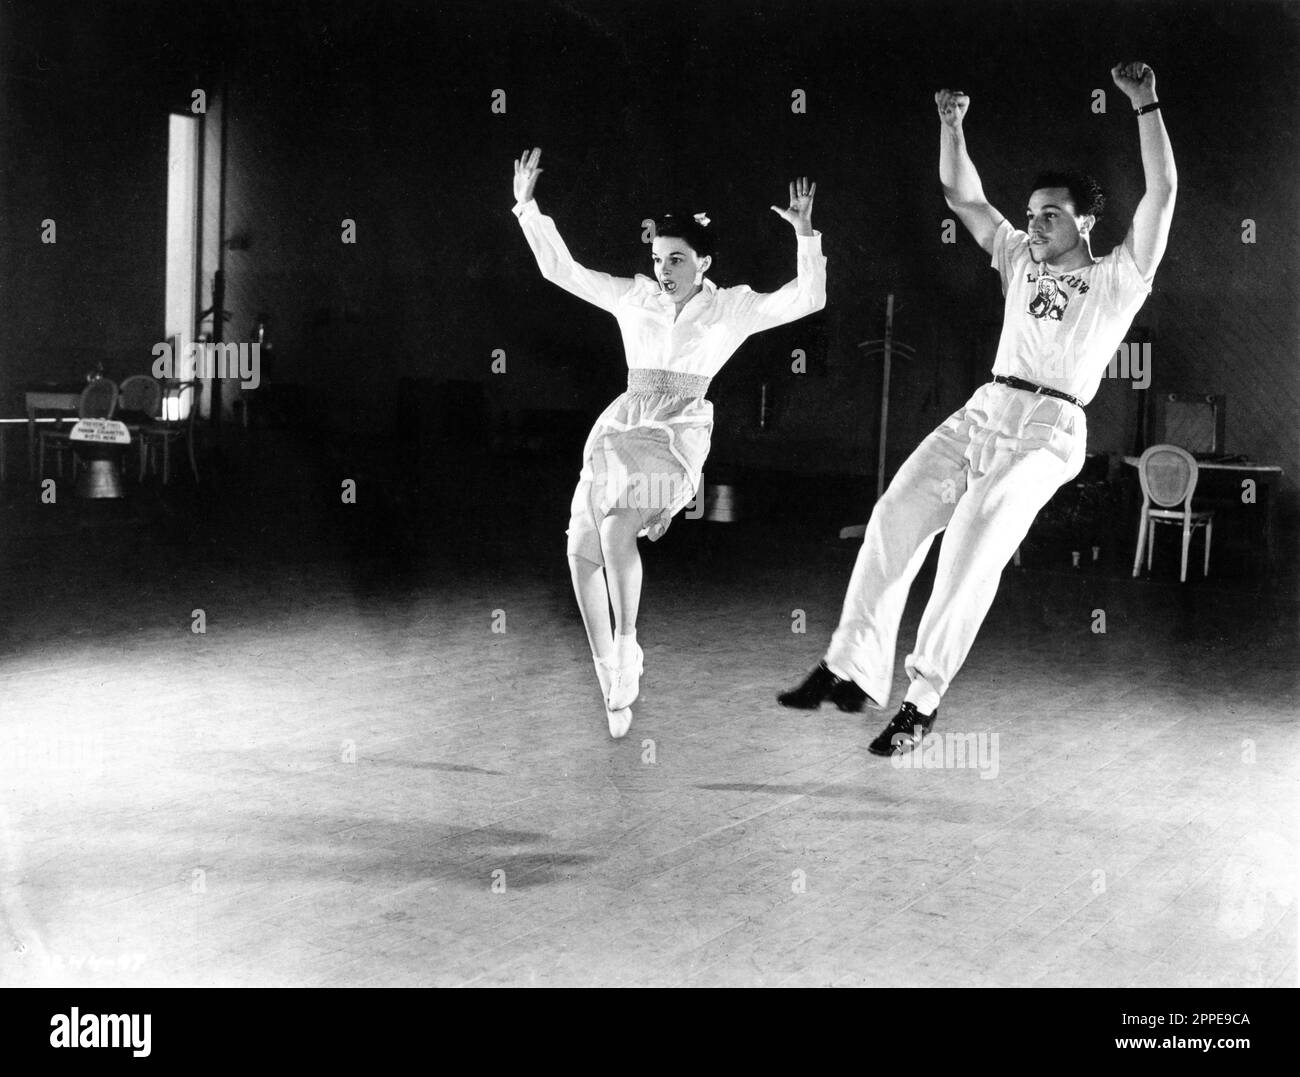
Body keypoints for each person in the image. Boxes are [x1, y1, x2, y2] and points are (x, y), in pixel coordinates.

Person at [779, 63, 1176, 756]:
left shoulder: (1120, 275)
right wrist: (951, 124)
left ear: (1085, 219)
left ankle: (921, 702)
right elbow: (961, 194)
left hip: (1050, 429)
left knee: (970, 545)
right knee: (895, 513)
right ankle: (850, 671)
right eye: (1030, 214)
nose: (1035, 224)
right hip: (988, 405)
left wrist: (1145, 105)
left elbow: (1163, 192)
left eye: (1051, 214)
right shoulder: (1019, 257)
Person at [512, 147, 826, 738]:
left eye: (677, 259)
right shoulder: (634, 297)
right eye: (658, 258)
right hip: (622, 426)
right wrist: (527, 208)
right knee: (581, 547)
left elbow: (807, 298)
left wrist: (806, 236)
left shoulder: (729, 308)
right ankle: (610, 671)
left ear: (703, 262)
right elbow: (564, 271)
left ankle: (628, 648)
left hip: (678, 434)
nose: (664, 269)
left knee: (615, 529)